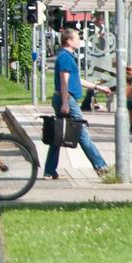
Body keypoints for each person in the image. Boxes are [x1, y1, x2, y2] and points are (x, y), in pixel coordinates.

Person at [44, 28, 111, 180]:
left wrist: (97, 87)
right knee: (82, 133)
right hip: (67, 98)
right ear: (68, 41)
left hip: (64, 97)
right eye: (77, 38)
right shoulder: (65, 57)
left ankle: (49, 170)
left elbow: (76, 80)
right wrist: (66, 103)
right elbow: (64, 80)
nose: (79, 40)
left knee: (58, 134)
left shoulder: (66, 56)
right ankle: (100, 166)